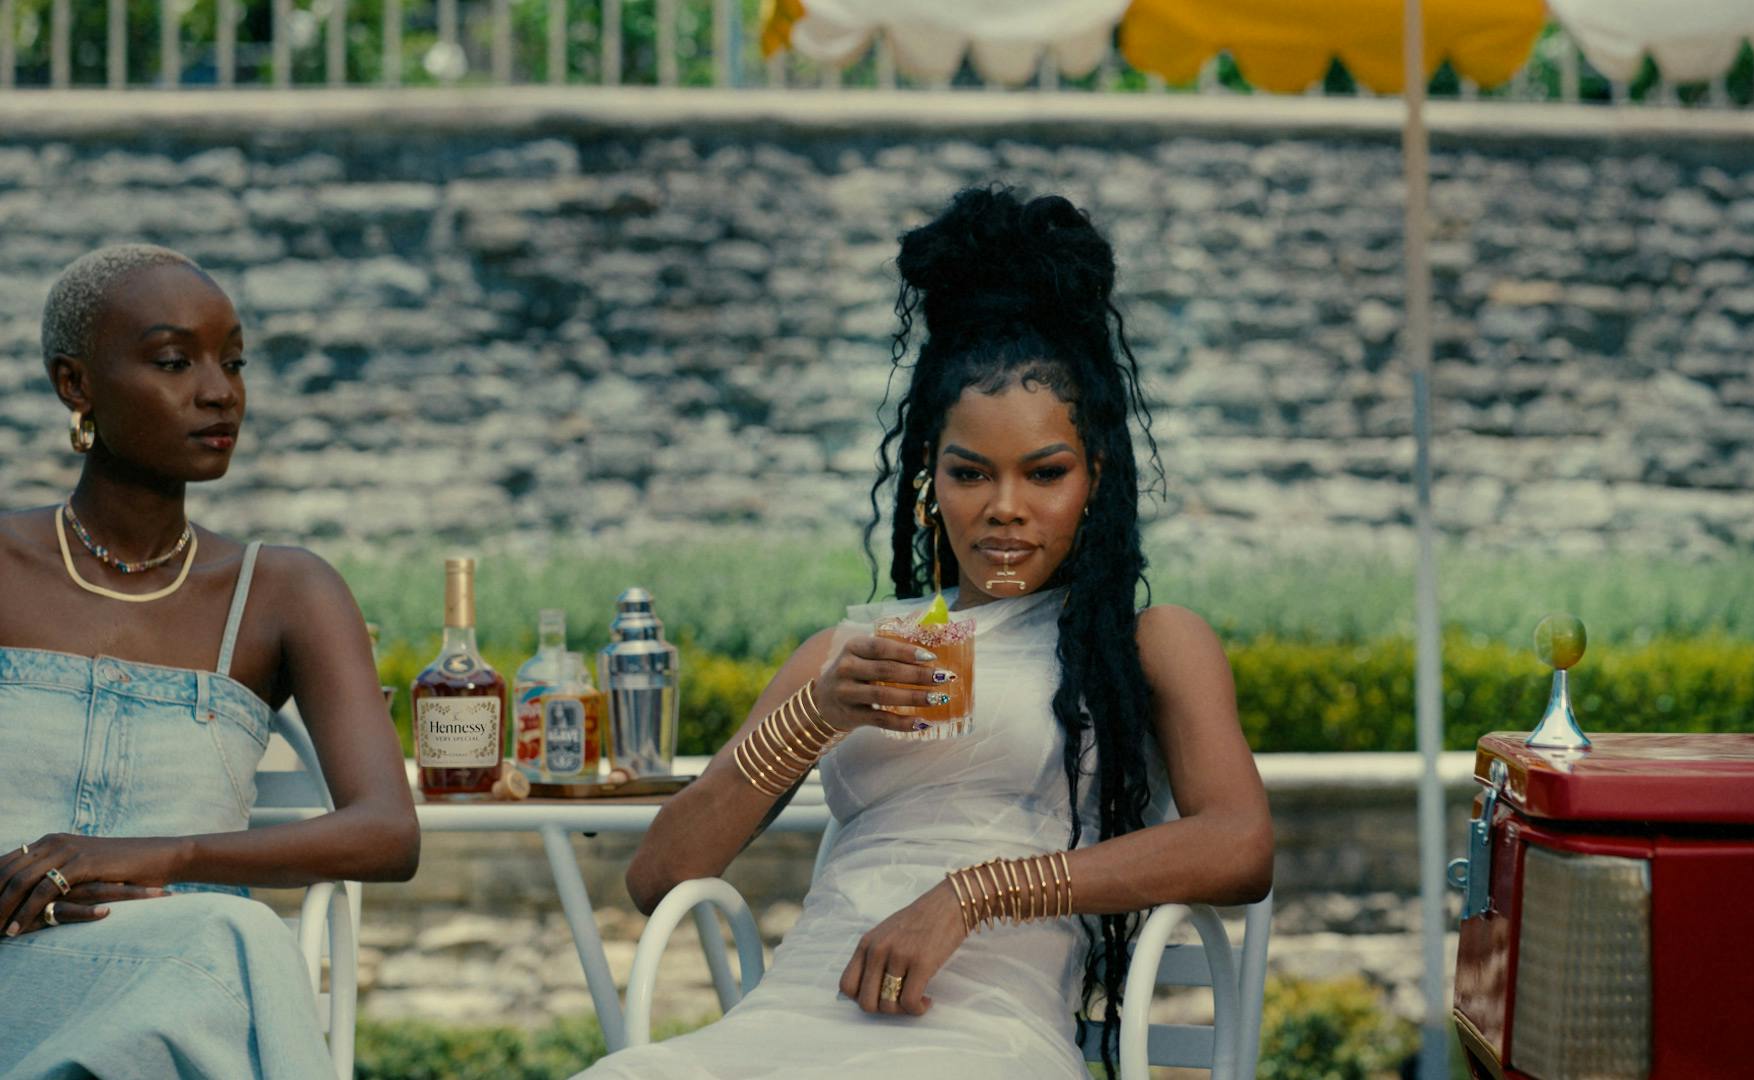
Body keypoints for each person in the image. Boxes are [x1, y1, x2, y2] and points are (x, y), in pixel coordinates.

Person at [582, 188, 1272, 1079]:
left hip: (979, 1036)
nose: (1006, 508)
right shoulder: (845, 655)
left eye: (1045, 474)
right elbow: (658, 877)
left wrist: (975, 892)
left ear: (1095, 480)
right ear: (929, 482)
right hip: (790, 1016)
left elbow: (1239, 844)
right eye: (970, 474)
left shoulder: (1149, 642)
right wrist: (816, 715)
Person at [0, 244, 421, 1080]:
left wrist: (165, 855)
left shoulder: (285, 591)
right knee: (238, 942)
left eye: (233, 362)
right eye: (173, 361)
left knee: (225, 940)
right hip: (16, 971)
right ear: (76, 385)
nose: (219, 391)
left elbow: (386, 831)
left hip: (192, 985)